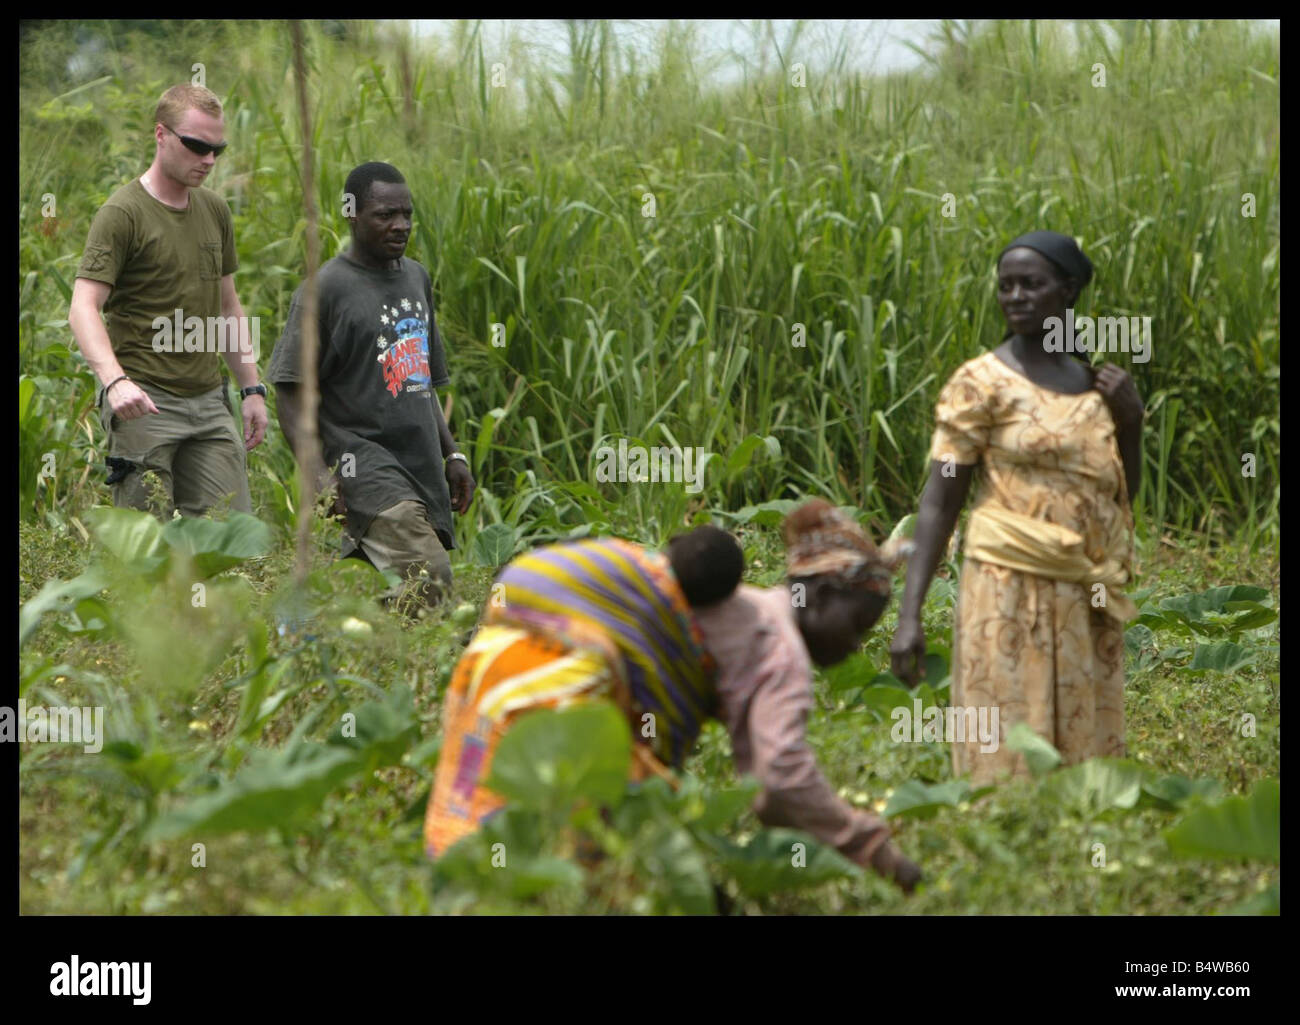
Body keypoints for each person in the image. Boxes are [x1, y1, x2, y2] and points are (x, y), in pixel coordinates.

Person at [424, 505, 922, 894]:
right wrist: (873, 849)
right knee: (590, 841)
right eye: (857, 626)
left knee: (485, 811)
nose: (855, 647)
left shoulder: (748, 607)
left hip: (504, 655)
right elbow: (779, 776)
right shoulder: (782, 649)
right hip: (569, 676)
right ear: (818, 594)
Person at [890, 230, 1145, 785]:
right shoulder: (981, 382)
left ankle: (1073, 848)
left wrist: (1132, 422)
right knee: (1005, 723)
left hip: (1082, 590)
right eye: (1006, 286)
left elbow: (1122, 495)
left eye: (1032, 284)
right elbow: (939, 501)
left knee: (1081, 733)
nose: (1016, 297)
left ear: (1068, 291)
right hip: (1004, 585)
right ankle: (999, 829)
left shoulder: (1098, 387)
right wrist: (908, 615)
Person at [267, 162, 474, 608]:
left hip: (419, 463)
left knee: (376, 596)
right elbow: (289, 391)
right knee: (429, 576)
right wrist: (317, 473)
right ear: (351, 214)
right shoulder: (326, 289)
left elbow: (422, 380)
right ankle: (442, 666)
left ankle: (359, 660)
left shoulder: (416, 277)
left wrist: (451, 452)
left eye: (407, 214)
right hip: (362, 462)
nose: (400, 226)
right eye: (385, 215)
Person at [68, 83, 266, 517]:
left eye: (217, 149)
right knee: (145, 552)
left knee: (229, 542)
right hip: (145, 400)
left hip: (211, 403)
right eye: (196, 146)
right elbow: (84, 306)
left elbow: (228, 307)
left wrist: (251, 389)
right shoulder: (123, 213)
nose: (209, 160)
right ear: (161, 135)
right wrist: (114, 382)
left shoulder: (214, 210)